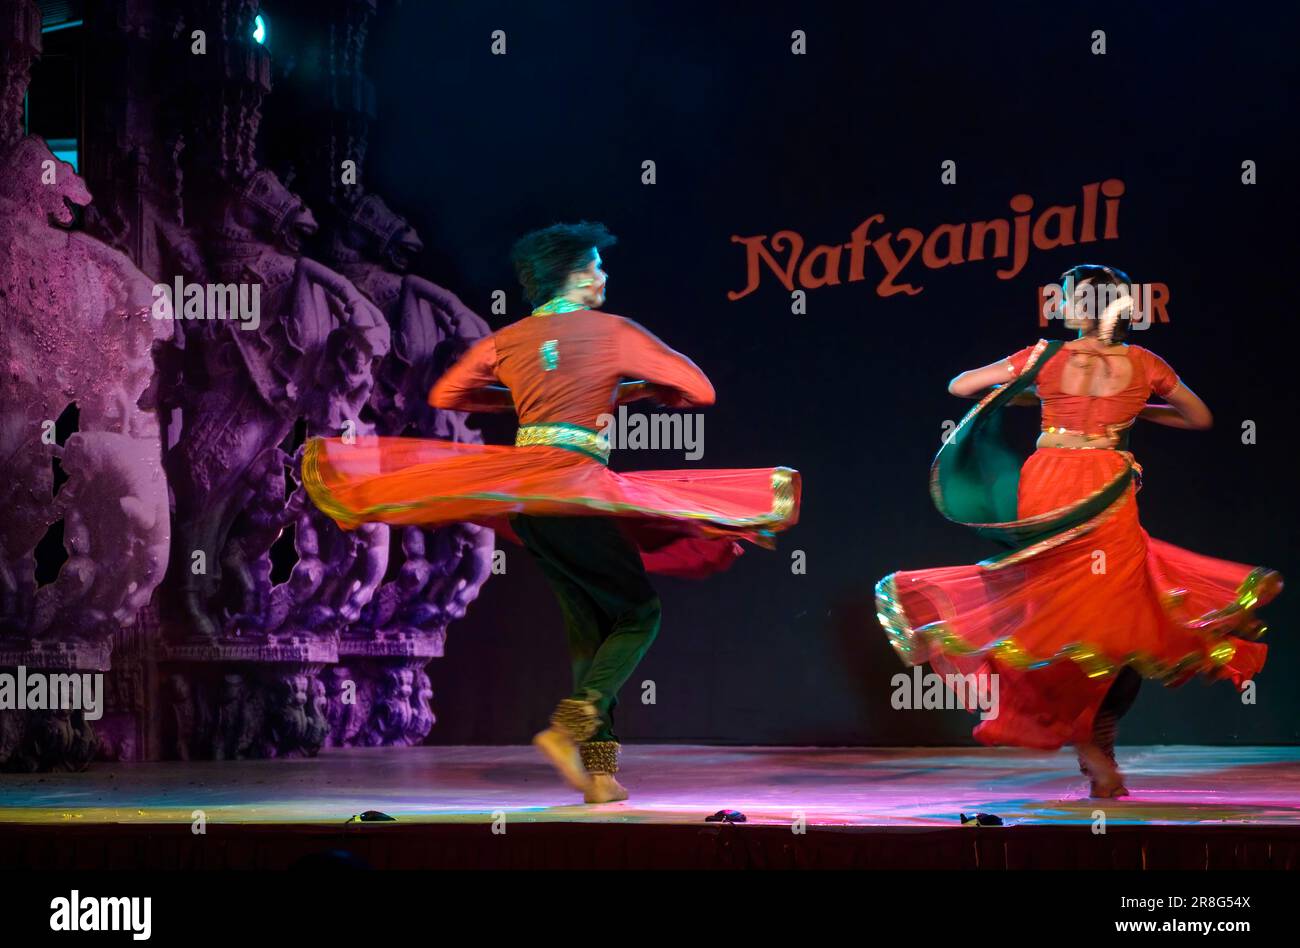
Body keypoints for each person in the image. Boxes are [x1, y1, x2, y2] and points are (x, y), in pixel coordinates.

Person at [303, 221, 800, 802]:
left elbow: (446, 395)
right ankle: (574, 723)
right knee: (639, 614)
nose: (604, 274)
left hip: (529, 499)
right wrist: (630, 388)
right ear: (575, 274)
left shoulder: (506, 340)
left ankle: (600, 774)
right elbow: (700, 389)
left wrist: (523, 394)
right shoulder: (612, 330)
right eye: (596, 264)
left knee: (588, 632)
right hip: (576, 488)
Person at [876, 264, 1281, 797]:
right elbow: (1199, 417)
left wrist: (1026, 393)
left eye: (1064, 298)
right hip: (1106, 481)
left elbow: (960, 385)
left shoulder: (1044, 355)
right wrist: (1138, 412)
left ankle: (1088, 738)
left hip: (1051, 482)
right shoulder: (1145, 363)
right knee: (1115, 618)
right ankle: (1096, 739)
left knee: (1050, 613)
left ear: (1072, 308)